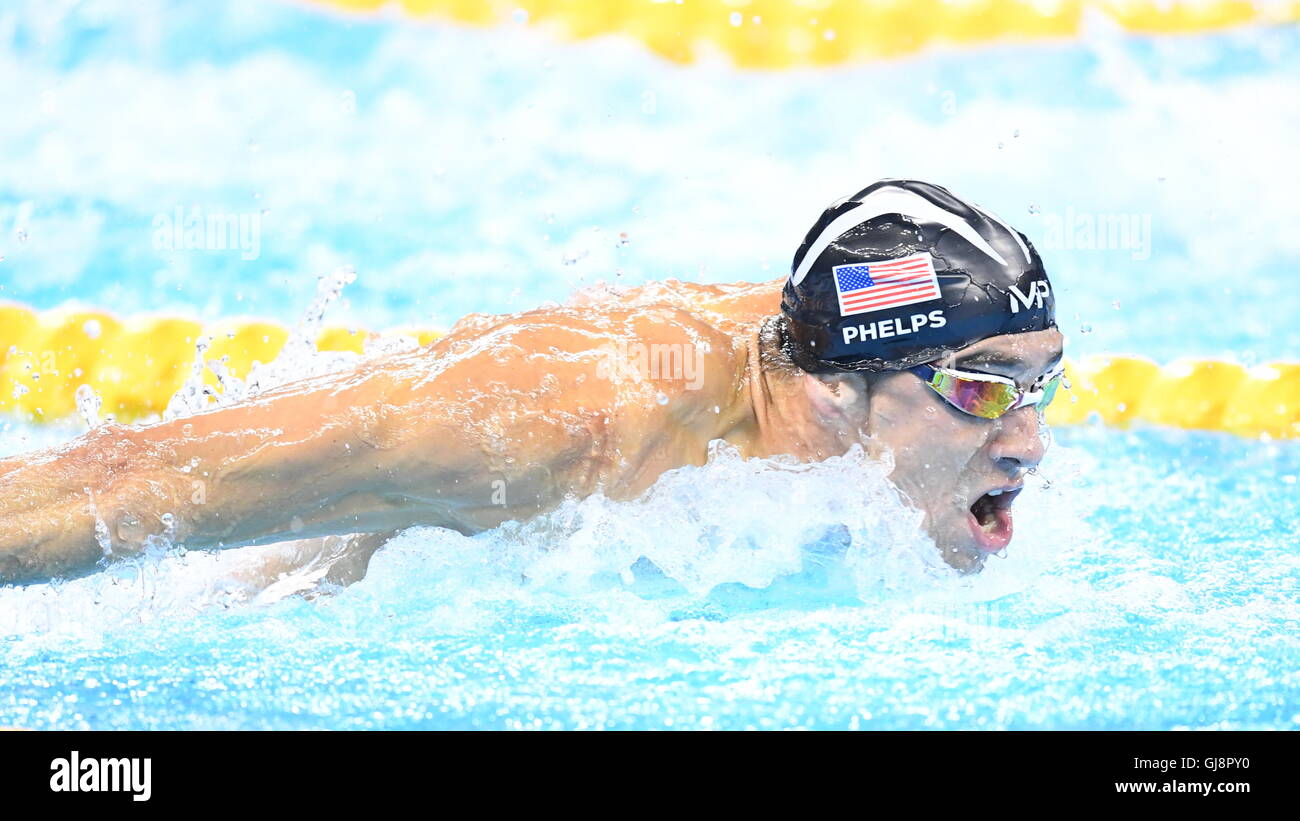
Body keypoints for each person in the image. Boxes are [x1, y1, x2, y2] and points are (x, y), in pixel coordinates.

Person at [0, 179, 1062, 585]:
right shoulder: (562, 424)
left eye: (1039, 385)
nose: (1027, 443)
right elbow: (126, 482)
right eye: (979, 389)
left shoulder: (834, 362)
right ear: (839, 389)